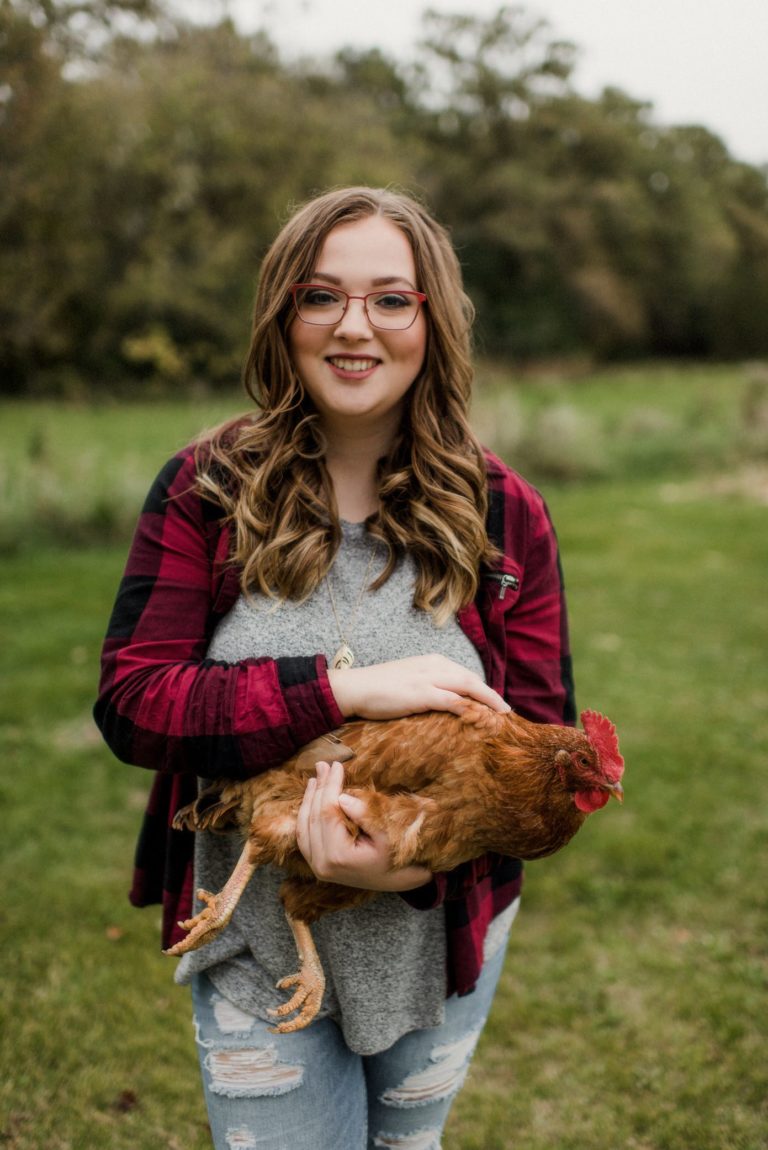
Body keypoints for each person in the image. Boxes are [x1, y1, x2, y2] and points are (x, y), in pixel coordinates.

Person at [95, 185, 575, 1149]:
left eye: (391, 299)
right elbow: (135, 703)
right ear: (285, 314)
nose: (356, 328)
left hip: (435, 936)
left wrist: (405, 871)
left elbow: (548, 765)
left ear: (430, 318)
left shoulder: (503, 513)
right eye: (323, 296)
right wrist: (344, 690)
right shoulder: (209, 489)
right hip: (256, 929)